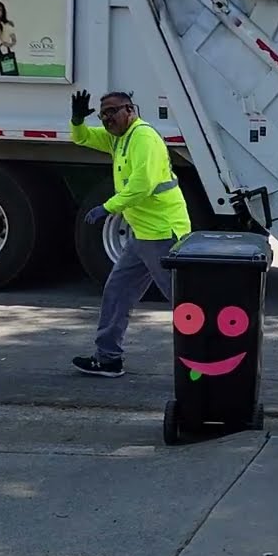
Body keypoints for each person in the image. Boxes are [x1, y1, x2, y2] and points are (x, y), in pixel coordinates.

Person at [69, 89, 192, 377]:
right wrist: (77, 120)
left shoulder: (144, 138)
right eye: (103, 114)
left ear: (130, 110)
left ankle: (210, 355)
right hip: (142, 235)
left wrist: (107, 208)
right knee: (117, 291)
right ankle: (108, 358)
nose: (107, 118)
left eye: (113, 111)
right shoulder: (119, 138)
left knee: (185, 300)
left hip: (163, 234)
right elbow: (83, 138)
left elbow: (142, 184)